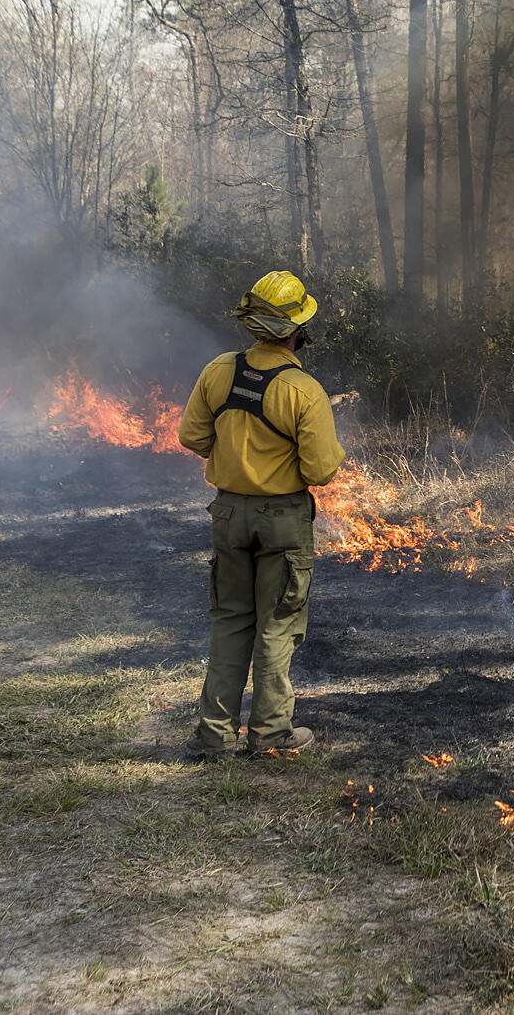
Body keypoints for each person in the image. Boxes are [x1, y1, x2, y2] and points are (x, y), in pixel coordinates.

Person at [177, 270, 345, 761]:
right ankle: (270, 732)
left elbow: (191, 436)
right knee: (278, 621)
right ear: (296, 329)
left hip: (228, 512)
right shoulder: (302, 390)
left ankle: (214, 735)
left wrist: (232, 454)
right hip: (282, 520)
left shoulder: (219, 370)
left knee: (230, 619)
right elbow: (319, 469)